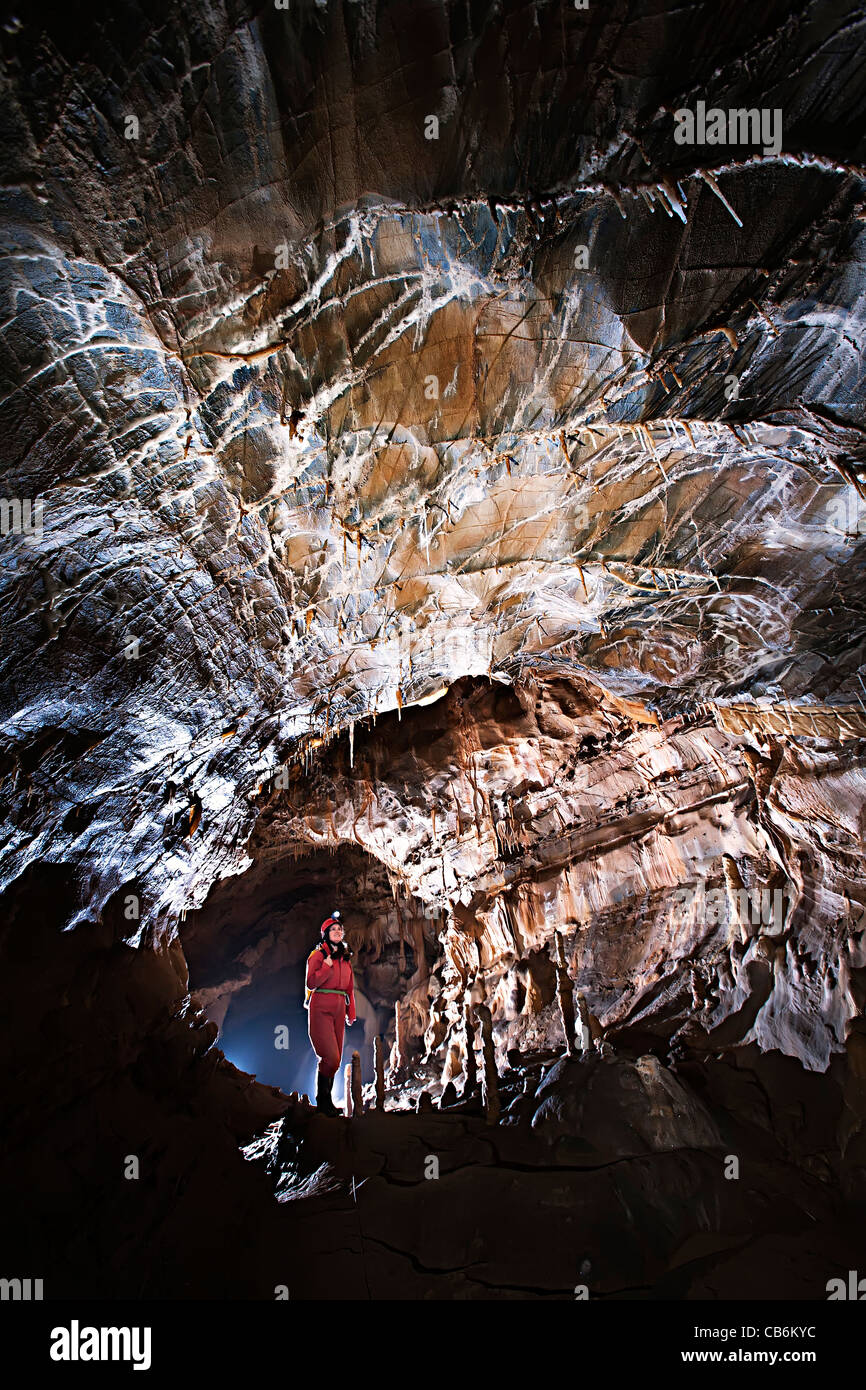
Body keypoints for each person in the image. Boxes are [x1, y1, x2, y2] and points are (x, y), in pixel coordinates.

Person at [304, 910, 356, 1117]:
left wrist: (350, 1012)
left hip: (338, 1008)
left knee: (336, 1059)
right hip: (321, 1005)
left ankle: (327, 1104)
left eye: (339, 929)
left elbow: (349, 988)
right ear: (325, 934)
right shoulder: (318, 956)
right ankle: (322, 1100)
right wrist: (325, 968)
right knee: (331, 1057)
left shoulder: (345, 959)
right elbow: (311, 982)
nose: (337, 931)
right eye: (332, 929)